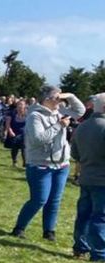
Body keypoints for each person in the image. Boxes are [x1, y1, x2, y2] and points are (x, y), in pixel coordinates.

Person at [10, 85, 85, 241]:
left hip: (61, 164)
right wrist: (59, 126)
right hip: (40, 164)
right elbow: (38, 139)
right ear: (46, 99)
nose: (60, 100)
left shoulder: (60, 112)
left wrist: (70, 96)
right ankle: (19, 227)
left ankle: (49, 231)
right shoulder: (35, 116)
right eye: (57, 97)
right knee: (39, 199)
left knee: (54, 200)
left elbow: (80, 111)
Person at [71, 93, 105, 260]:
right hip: (102, 179)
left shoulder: (82, 126)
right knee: (100, 216)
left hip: (86, 176)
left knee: (84, 214)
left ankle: (80, 247)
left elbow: (75, 153)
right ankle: (99, 253)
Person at [4, 99, 27, 167]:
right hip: (14, 133)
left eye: (22, 104)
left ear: (25, 106)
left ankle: (25, 163)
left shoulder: (28, 114)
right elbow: (7, 124)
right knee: (14, 149)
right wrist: (10, 131)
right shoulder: (11, 113)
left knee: (24, 148)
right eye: (19, 104)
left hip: (24, 134)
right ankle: (14, 161)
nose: (20, 106)